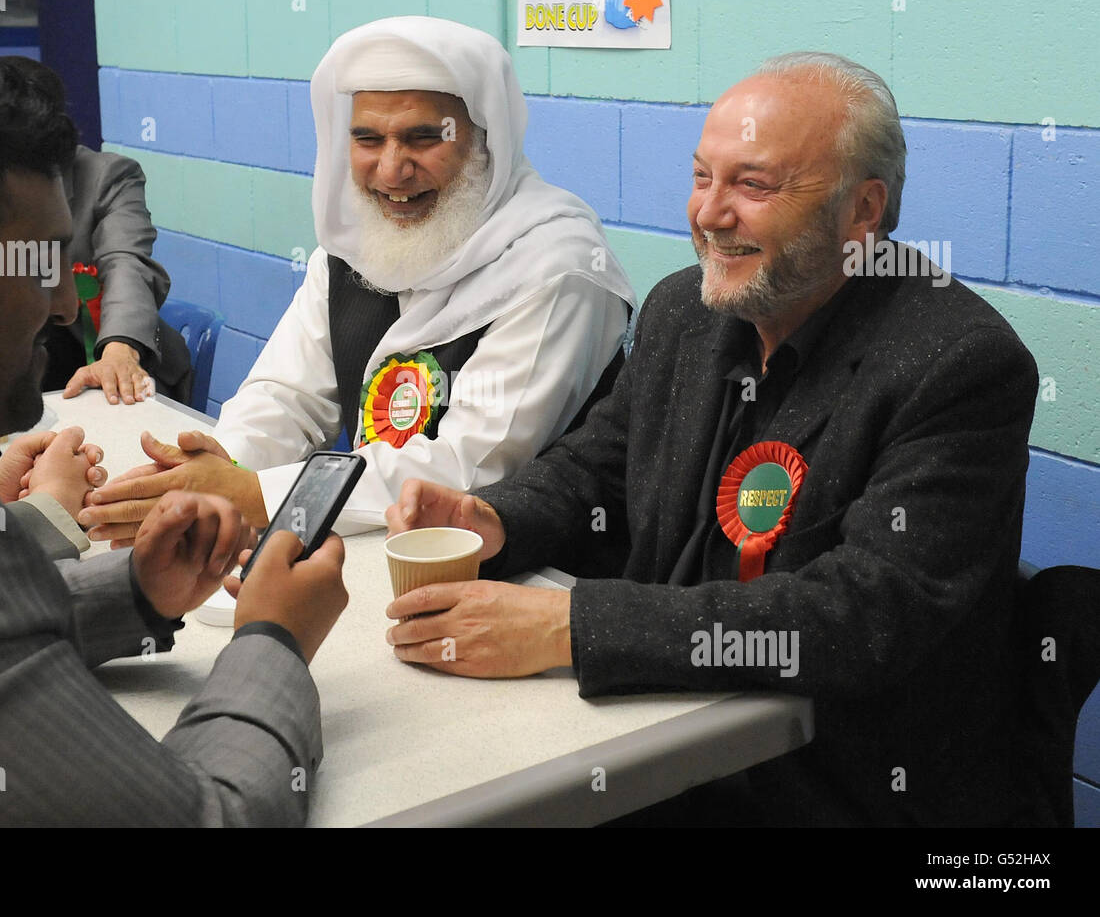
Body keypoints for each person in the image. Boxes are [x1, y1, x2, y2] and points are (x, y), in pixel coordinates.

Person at [382, 52, 1045, 826]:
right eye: (703, 178)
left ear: (863, 210)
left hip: (826, 787)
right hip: (657, 739)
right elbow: (597, 468)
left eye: (753, 186)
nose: (709, 214)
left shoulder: (960, 364)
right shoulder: (683, 313)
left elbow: (862, 618)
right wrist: (492, 518)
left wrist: (571, 629)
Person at [0, 35, 346, 826]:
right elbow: (215, 819)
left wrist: (132, 591)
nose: (63, 306)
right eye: (41, 265)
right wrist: (274, 638)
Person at [78, 16, 636, 542]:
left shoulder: (559, 266)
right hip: (375, 541)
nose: (391, 169)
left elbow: (472, 466)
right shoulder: (354, 248)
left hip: (536, 580)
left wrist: (255, 494)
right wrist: (219, 463)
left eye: (422, 138)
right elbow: (287, 395)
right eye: (368, 139)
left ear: (485, 140)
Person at [2, 55, 193, 406]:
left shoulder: (108, 175)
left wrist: (120, 350)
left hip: (95, 350)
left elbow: (126, 262)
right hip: (16, 353)